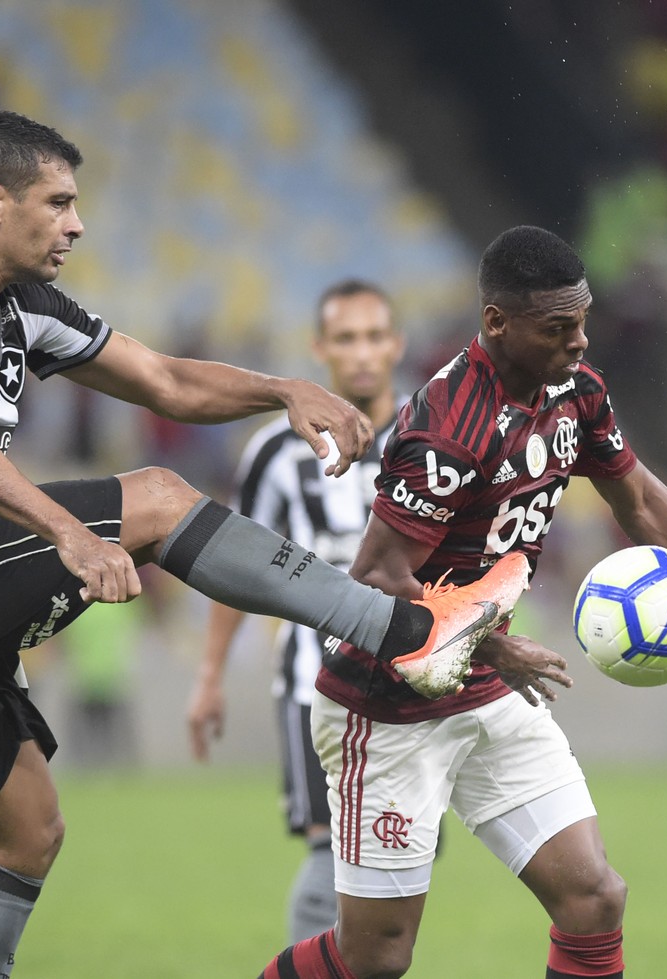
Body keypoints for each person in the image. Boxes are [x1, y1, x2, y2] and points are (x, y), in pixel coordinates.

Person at [0, 109, 523, 979]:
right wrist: (71, 535)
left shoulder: (16, 305)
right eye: (57, 203)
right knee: (159, 499)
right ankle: (405, 631)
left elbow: (165, 379)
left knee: (26, 829)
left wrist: (282, 388)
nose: (77, 223)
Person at [258, 226, 667, 979]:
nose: (579, 340)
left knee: (595, 897)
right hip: (388, 702)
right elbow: (376, 580)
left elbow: (637, 497)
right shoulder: (448, 427)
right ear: (497, 322)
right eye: (558, 327)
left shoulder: (576, 389)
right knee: (375, 956)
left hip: (481, 687)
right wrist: (497, 644)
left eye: (583, 321)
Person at [187, 279, 405, 943]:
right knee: (328, 848)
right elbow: (235, 563)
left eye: (374, 336)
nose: (362, 353)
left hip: (416, 675)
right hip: (317, 679)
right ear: (320, 348)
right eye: (346, 338)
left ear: (395, 345)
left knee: (394, 861)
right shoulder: (277, 452)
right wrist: (210, 674)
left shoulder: (430, 437)